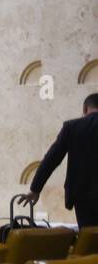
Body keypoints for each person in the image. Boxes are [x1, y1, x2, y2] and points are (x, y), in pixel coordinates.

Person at [26, 93, 98, 228]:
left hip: (82, 195)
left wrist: (35, 189)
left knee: (89, 238)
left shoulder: (72, 127)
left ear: (85, 109)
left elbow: (52, 159)